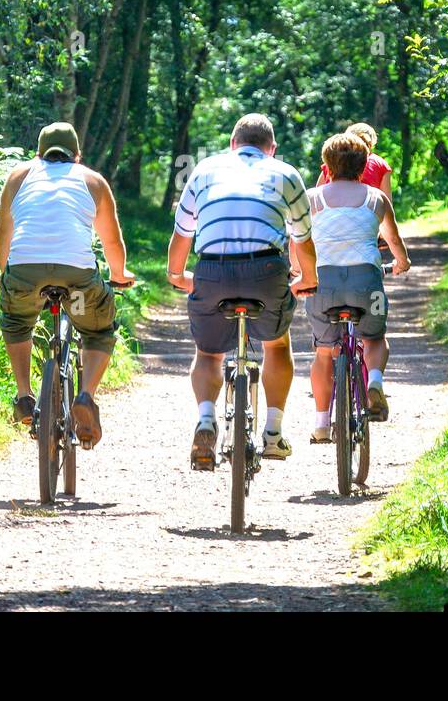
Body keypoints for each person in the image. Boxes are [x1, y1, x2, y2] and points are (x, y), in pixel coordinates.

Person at [166, 113, 318, 469]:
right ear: (272, 148)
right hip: (265, 270)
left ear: (233, 144)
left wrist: (176, 274)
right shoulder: (285, 174)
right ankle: (273, 433)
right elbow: (303, 240)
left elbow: (182, 234)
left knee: (207, 353)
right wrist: (308, 278)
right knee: (277, 344)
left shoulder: (204, 170)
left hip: (211, 268)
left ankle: (206, 419)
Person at [0, 122, 135, 449]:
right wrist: (120, 274)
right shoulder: (92, 180)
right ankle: (85, 396)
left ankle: (24, 395)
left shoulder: (18, 176)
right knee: (98, 330)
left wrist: (10, 280)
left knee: (16, 323)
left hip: (24, 271)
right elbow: (112, 243)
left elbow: (4, 238)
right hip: (77, 279)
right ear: (77, 155)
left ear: (38, 154)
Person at [306, 132, 410, 442]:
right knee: (375, 338)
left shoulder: (312, 199)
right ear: (365, 165)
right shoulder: (376, 198)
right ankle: (374, 381)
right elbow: (393, 241)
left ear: (327, 165)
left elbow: (298, 243)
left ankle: (322, 423)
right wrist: (402, 262)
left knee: (324, 352)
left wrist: (297, 272)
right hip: (368, 284)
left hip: (322, 285)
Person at [317, 121, 392, 198]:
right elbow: (386, 201)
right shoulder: (381, 164)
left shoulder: (333, 162)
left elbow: (317, 195)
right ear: (372, 142)